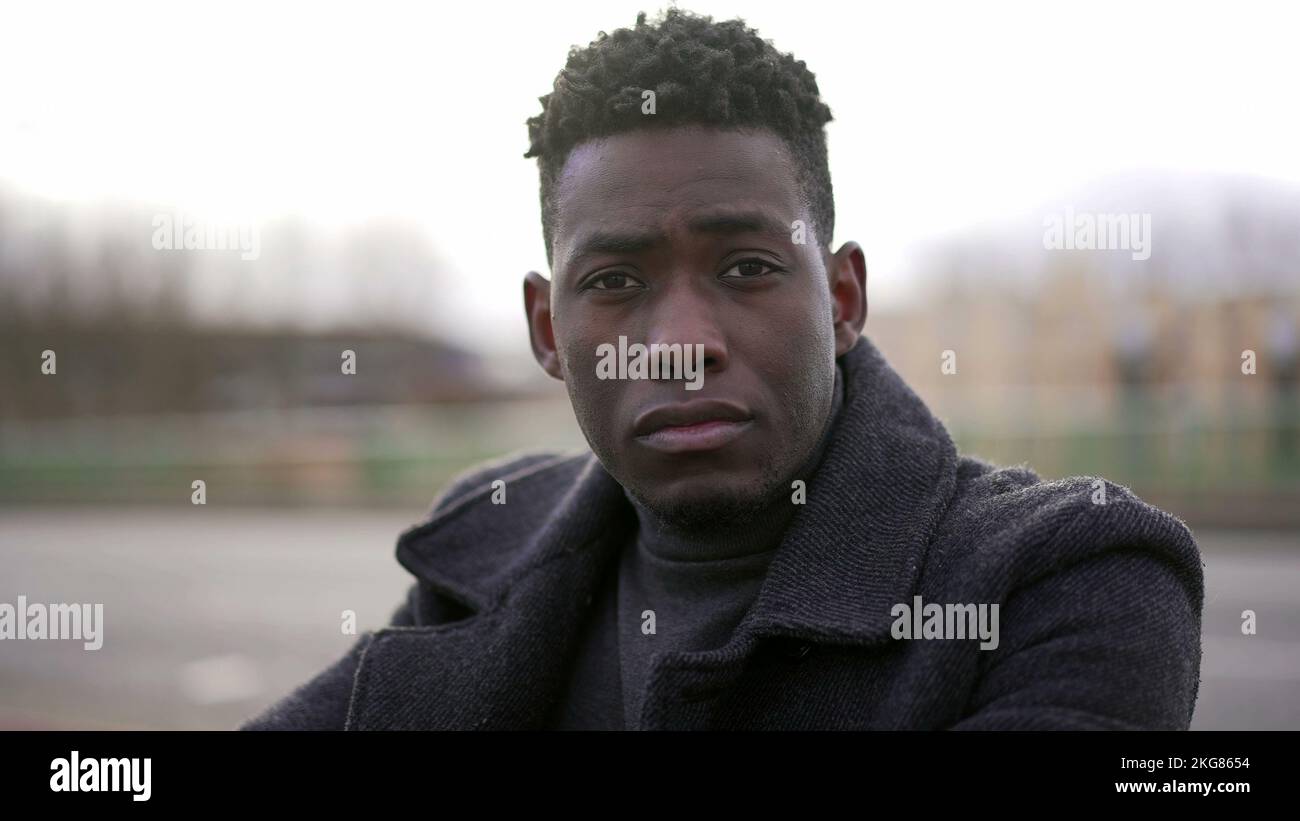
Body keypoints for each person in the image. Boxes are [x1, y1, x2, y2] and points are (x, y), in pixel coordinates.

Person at [242, 8, 1203, 731]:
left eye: (746, 267)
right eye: (616, 280)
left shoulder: (1065, 578)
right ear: (546, 326)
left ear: (841, 300)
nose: (682, 339)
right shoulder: (487, 550)